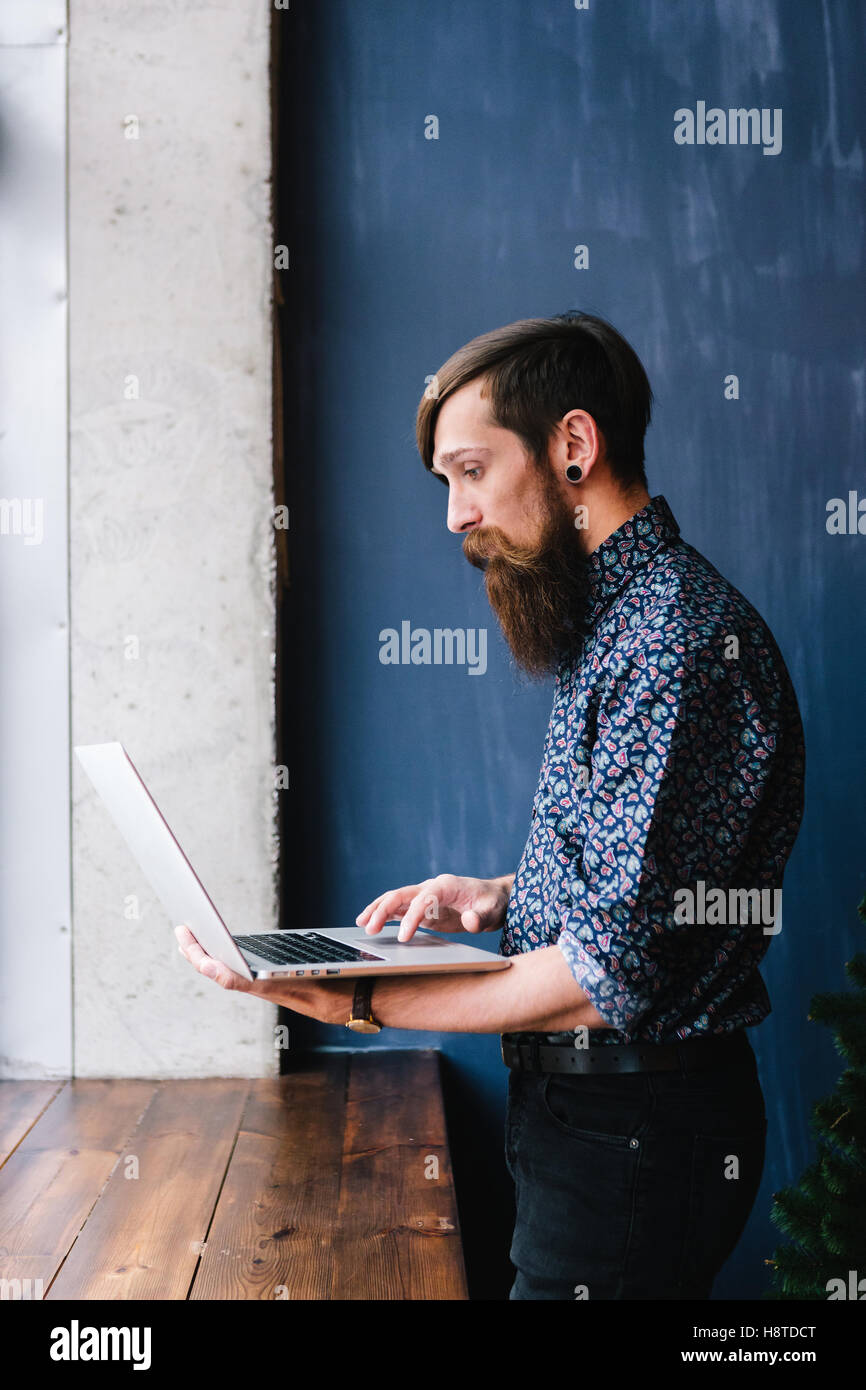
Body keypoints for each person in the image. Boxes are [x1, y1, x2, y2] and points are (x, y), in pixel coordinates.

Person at [176, 310, 806, 1300]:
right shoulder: (621, 621)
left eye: (470, 471)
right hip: (596, 1123)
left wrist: (363, 1000)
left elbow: (609, 971)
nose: (454, 515)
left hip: (633, 1132)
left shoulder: (668, 642)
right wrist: (509, 894)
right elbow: (650, 877)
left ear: (570, 446)